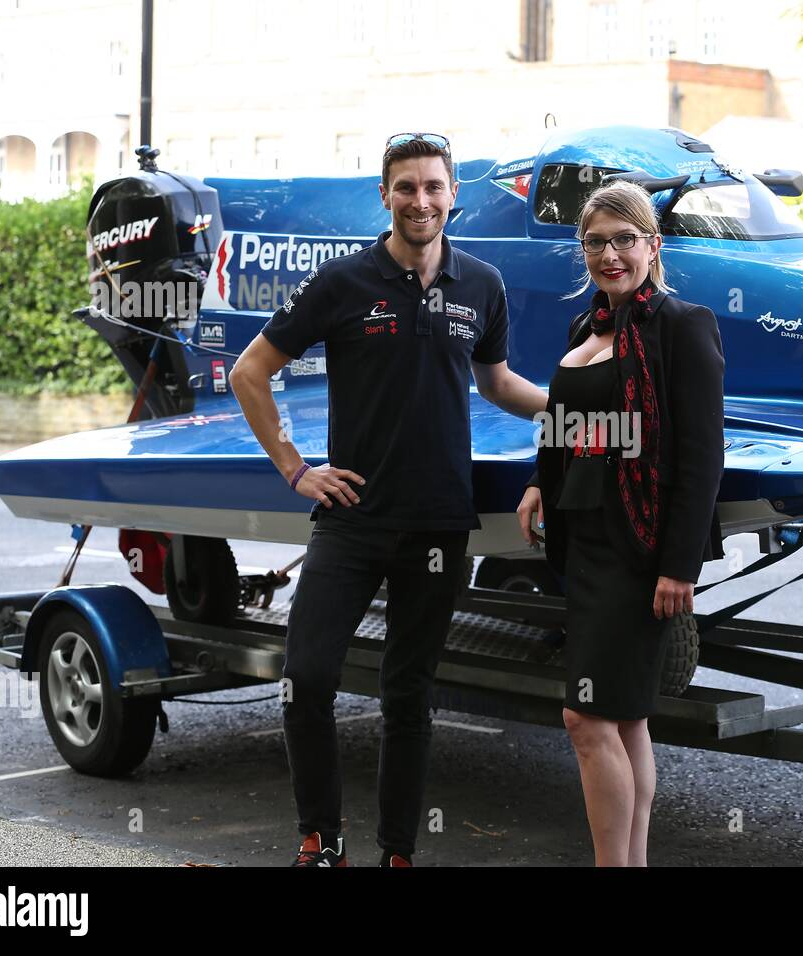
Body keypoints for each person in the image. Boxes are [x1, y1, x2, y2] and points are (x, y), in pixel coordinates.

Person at [230, 133, 547, 867]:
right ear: (385, 195)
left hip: (439, 521)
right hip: (351, 518)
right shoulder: (343, 282)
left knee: (409, 697)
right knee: (306, 678)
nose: (421, 201)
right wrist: (295, 468)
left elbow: (498, 382)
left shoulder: (482, 284)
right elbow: (252, 372)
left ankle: (399, 853)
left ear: (453, 194)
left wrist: (575, 410)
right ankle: (322, 837)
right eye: (406, 187)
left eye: (433, 187)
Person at [517, 179, 725, 866]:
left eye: (624, 240)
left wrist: (679, 565)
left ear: (652, 245)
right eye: (596, 242)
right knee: (626, 717)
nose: (610, 254)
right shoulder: (589, 326)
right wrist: (536, 484)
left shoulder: (682, 325)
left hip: (639, 547)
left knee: (585, 717)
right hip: (587, 539)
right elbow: (568, 422)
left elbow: (701, 456)